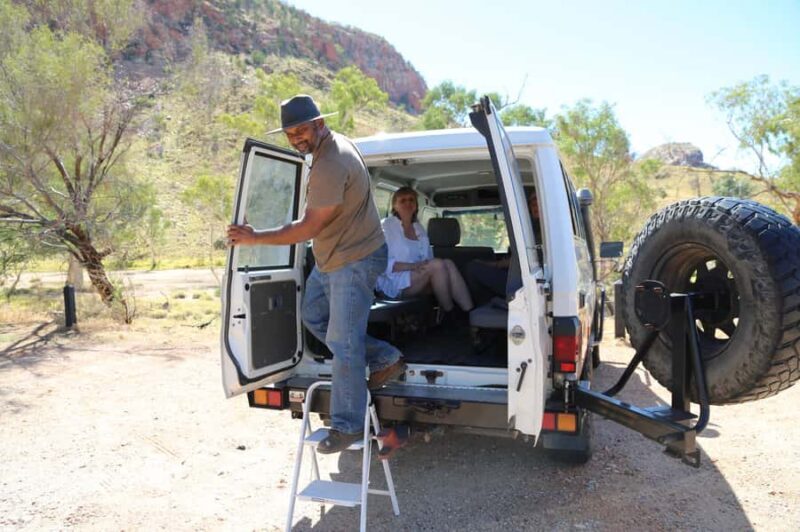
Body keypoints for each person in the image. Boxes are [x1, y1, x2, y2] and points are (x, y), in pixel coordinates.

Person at [227, 95, 404, 454]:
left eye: (302, 130)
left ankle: (347, 425)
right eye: (290, 133)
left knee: (345, 343)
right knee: (312, 315)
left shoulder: (330, 163)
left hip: (354, 260)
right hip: (333, 259)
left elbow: (308, 226)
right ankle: (386, 357)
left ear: (319, 124)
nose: (296, 139)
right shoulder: (329, 149)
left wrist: (254, 237)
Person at [377, 187, 473, 321]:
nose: (407, 203)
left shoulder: (418, 228)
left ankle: (470, 313)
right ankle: (449, 314)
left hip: (417, 276)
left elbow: (428, 258)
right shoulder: (386, 226)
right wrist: (412, 266)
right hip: (394, 282)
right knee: (438, 265)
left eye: (411, 200)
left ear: (416, 205)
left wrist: (422, 268)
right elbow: (379, 263)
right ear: (395, 205)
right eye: (402, 200)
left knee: (448, 264)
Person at [465, 190, 543, 305]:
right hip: (518, 276)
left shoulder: (546, 231)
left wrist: (492, 264)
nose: (535, 205)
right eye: (532, 202)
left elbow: (524, 259)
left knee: (472, 268)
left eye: (538, 200)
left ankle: (483, 306)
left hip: (525, 281)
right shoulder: (531, 226)